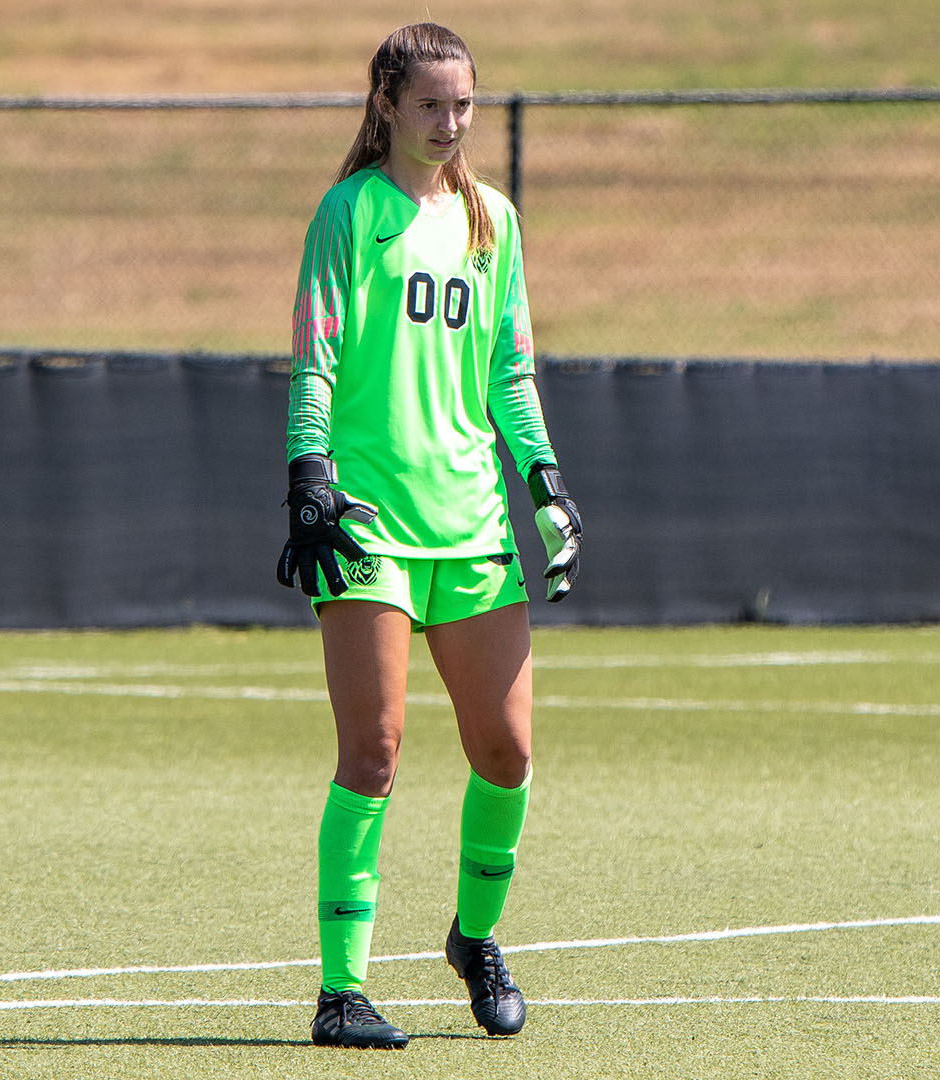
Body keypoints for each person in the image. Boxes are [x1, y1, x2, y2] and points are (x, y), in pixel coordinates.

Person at [277, 22, 585, 1051]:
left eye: (462, 106)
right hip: (369, 523)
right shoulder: (350, 212)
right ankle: (341, 990)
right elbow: (315, 359)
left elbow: (509, 371)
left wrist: (543, 482)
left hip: (473, 524)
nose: (449, 124)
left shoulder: (492, 220)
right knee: (373, 751)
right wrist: (309, 474)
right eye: (429, 106)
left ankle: (476, 937)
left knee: (506, 751)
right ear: (387, 107)